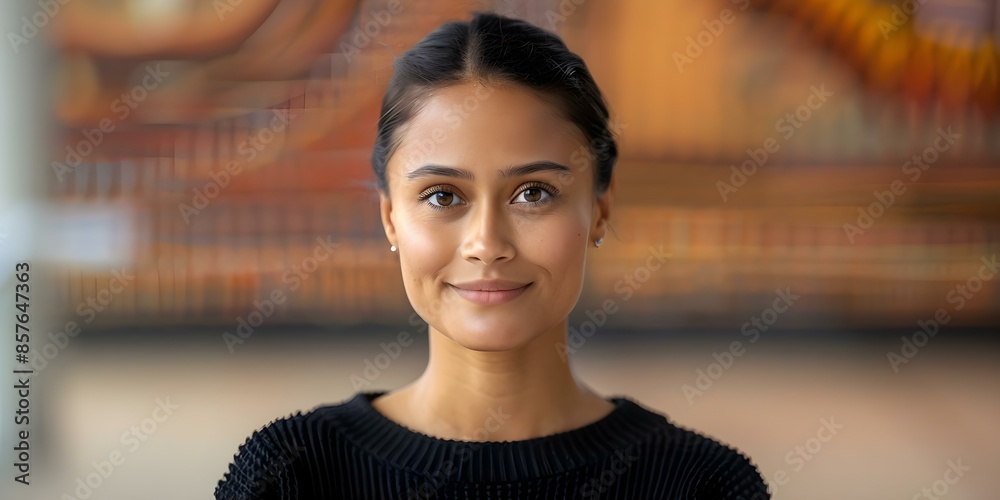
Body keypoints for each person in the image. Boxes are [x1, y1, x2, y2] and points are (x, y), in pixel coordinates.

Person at [216, 11, 770, 499]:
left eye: (533, 193)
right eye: (442, 196)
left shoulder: (701, 484)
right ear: (391, 217)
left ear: (599, 209)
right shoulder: (290, 475)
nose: (487, 243)